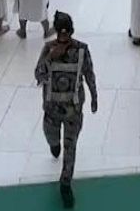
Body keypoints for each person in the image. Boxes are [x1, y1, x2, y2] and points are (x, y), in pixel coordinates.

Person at [34, 11, 97, 208]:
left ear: (71, 32)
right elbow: (38, 75)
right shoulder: (48, 49)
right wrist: (50, 58)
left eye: (66, 34)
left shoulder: (81, 50)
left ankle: (66, 183)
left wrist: (94, 96)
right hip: (52, 109)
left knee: (71, 147)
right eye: (60, 35)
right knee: (51, 136)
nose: (63, 39)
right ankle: (54, 145)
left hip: (73, 110)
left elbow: (89, 73)